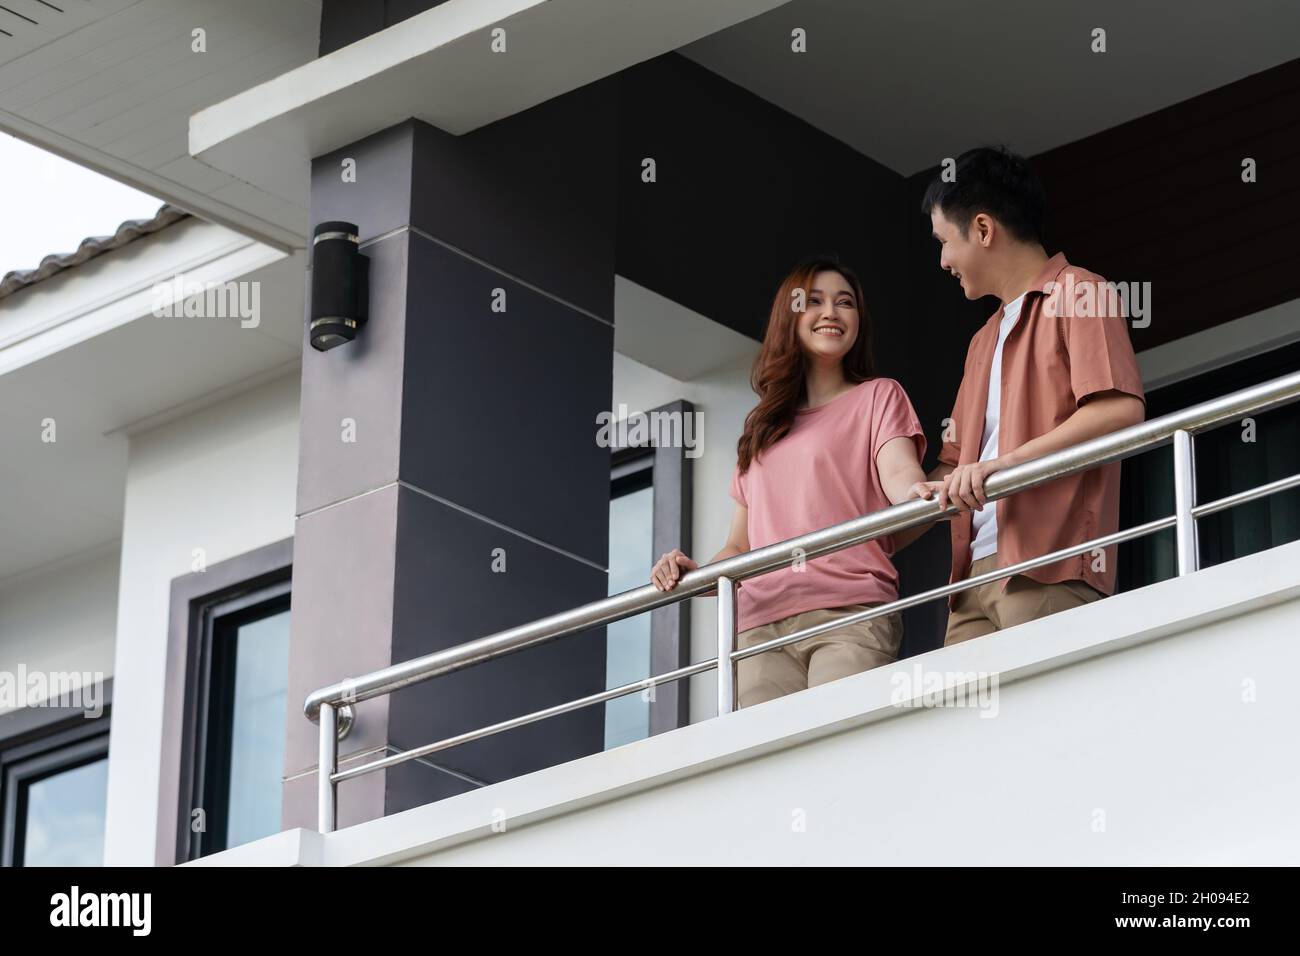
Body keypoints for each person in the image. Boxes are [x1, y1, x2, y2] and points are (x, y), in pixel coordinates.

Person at [650, 257, 930, 708]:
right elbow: (740, 547)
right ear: (790, 316)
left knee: (835, 751)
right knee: (771, 769)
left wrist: (918, 493)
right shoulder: (759, 429)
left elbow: (899, 472)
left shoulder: (878, 396)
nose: (832, 313)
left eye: (845, 303)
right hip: (760, 626)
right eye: (814, 301)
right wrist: (696, 574)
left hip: (849, 610)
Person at [912, 146, 1146, 646]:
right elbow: (956, 464)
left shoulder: (1081, 292)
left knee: (1047, 721)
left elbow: (1120, 409)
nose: (943, 261)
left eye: (944, 242)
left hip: (1050, 565)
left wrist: (1007, 464)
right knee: (964, 724)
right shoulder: (982, 340)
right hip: (971, 580)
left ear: (982, 229)